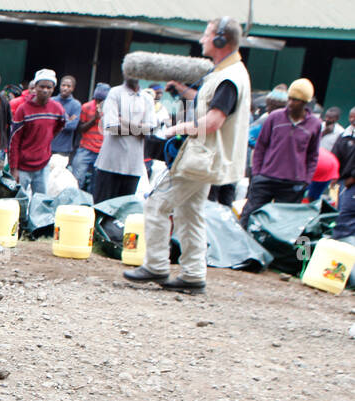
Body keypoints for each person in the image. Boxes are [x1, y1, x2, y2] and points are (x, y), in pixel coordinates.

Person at [125, 17, 251, 293]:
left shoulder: (228, 77)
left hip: (200, 158)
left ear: (220, 40)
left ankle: (156, 265)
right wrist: (184, 92)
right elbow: (214, 105)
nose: (201, 40)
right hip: (207, 158)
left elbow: (213, 121)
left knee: (157, 204)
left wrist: (178, 128)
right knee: (191, 213)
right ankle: (193, 273)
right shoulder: (229, 73)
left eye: (206, 35)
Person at [238, 78, 322, 226]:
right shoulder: (275, 117)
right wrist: (257, 173)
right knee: (249, 215)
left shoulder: (314, 125)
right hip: (266, 178)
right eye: (289, 99)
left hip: (293, 183)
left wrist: (305, 180)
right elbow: (261, 146)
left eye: (295, 100)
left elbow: (312, 155)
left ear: (305, 102)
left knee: (283, 224)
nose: (290, 103)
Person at [93, 76, 154, 204]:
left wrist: (123, 121)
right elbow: (112, 127)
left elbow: (150, 130)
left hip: (133, 166)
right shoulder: (115, 93)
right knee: (101, 208)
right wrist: (139, 129)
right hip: (110, 164)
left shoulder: (147, 98)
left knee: (123, 212)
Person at [8, 69, 65, 198]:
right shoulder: (23, 110)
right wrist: (14, 168)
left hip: (43, 164)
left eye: (49, 87)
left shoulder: (57, 109)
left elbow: (60, 125)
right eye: (42, 86)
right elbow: (14, 140)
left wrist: (46, 140)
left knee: (40, 202)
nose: (45, 90)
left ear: (53, 89)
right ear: (35, 87)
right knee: (18, 201)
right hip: (22, 166)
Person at [71, 83, 108, 194]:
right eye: (97, 100)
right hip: (85, 149)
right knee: (77, 179)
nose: (98, 103)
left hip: (102, 151)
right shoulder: (86, 107)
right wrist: (94, 119)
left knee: (97, 183)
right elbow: (80, 129)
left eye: (102, 100)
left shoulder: (113, 110)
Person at [51, 74, 81, 162]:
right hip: (47, 145)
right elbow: (45, 122)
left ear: (73, 88)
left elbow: (72, 125)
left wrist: (54, 121)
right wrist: (66, 120)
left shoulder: (76, 105)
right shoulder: (51, 101)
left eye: (69, 86)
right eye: (63, 85)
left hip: (63, 149)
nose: (65, 88)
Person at [333, 134, 355, 237]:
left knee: (346, 216)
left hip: (351, 181)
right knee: (342, 213)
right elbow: (336, 153)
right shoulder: (345, 135)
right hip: (344, 178)